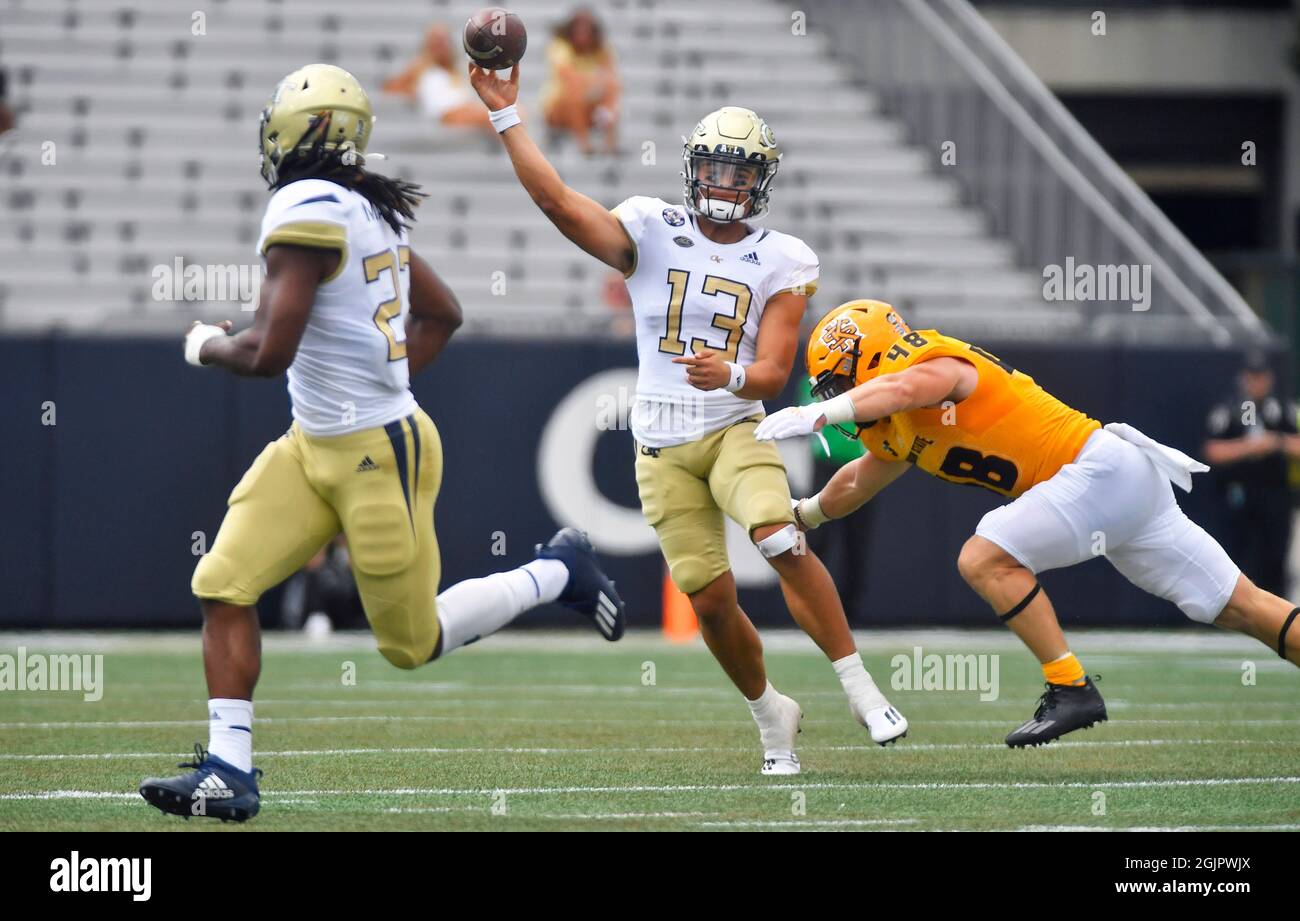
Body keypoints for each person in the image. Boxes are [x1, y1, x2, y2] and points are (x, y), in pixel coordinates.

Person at [139, 64, 626, 823]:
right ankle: (230, 770)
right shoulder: (368, 208)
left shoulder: (306, 205)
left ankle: (557, 570)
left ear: (302, 130)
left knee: (411, 641)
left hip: (375, 453)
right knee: (222, 582)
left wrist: (205, 344)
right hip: (313, 444)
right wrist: (380, 379)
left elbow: (267, 351)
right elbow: (445, 315)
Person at [467, 65, 907, 775]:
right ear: (693, 168)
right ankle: (772, 718)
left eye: (739, 173)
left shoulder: (781, 258)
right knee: (708, 601)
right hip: (661, 445)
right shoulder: (650, 225)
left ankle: (859, 687)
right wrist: (506, 115)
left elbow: (769, 371)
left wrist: (730, 373)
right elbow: (555, 201)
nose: (724, 184)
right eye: (714, 168)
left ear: (760, 181)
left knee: (779, 536)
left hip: (736, 426)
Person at [756, 300, 1300, 747]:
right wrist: (805, 514)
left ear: (872, 355)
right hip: (1118, 485)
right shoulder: (891, 428)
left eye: (840, 382)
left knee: (984, 557)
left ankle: (1072, 688)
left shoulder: (932, 363)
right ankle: (1072, 688)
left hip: (1099, 469)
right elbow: (858, 481)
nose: (833, 396)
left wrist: (816, 415)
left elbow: (904, 389)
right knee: (1241, 606)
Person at [1204, 350, 1300, 596]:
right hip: (1240, 496)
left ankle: (1279, 614)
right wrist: (1248, 447)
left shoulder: (1282, 410)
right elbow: (1212, 450)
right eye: (1252, 376)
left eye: (1262, 376)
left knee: (1275, 558)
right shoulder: (1229, 410)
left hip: (1275, 496)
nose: (1257, 382)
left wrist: (1275, 442)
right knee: (1238, 558)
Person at [383, 25, 495, 135]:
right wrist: (411, 91)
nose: (440, 46)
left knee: (500, 113)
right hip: (445, 115)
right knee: (493, 117)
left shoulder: (457, 71)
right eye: (435, 41)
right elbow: (390, 88)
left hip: (467, 110)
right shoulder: (419, 68)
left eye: (443, 41)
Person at [539, 8, 620, 155]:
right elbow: (569, 78)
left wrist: (601, 90)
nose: (582, 35)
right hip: (558, 108)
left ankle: (609, 143)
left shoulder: (601, 48)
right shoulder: (560, 46)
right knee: (574, 95)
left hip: (589, 106)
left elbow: (611, 77)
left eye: (586, 31)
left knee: (612, 88)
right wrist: (595, 81)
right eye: (578, 31)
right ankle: (584, 144)